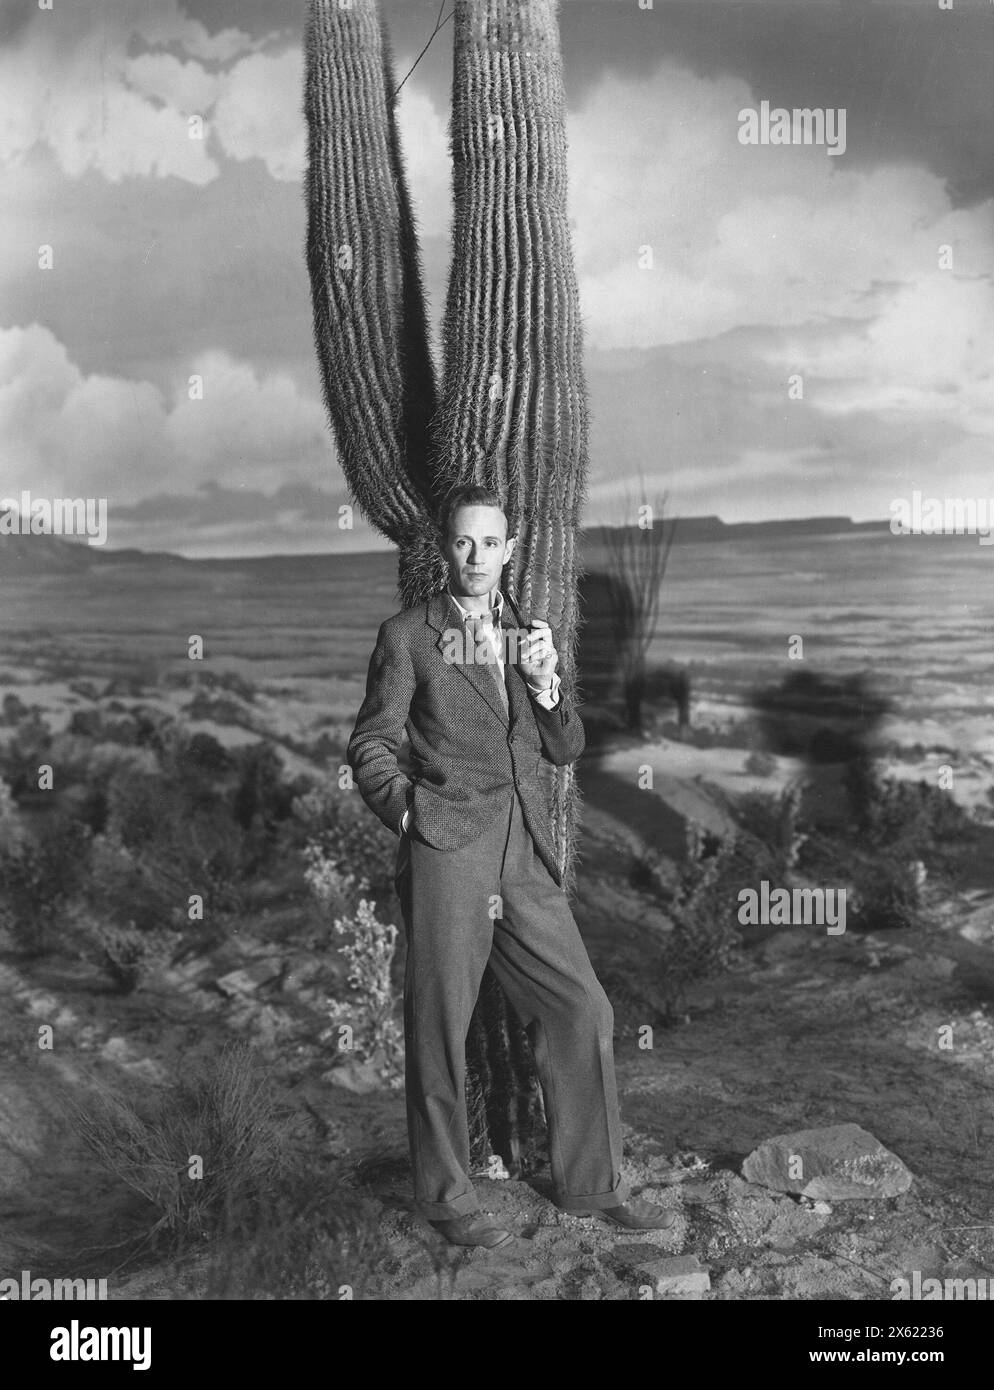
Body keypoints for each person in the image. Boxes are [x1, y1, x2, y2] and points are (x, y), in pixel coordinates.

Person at [347, 484, 675, 1248]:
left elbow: (565, 748)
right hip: (448, 851)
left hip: (524, 851)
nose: (476, 558)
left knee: (581, 1008)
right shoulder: (410, 635)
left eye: (490, 544)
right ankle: (447, 1198)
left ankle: (592, 1184)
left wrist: (548, 683)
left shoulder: (528, 630)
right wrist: (410, 815)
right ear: (444, 545)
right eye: (463, 542)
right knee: (440, 1025)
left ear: (509, 549)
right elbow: (370, 742)